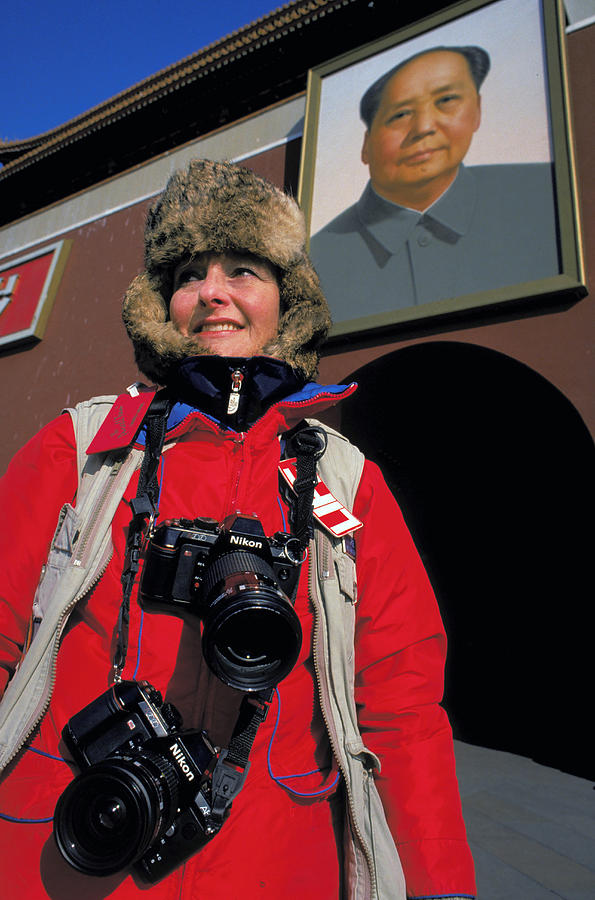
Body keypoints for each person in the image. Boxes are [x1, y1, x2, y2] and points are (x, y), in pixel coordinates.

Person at [0, 159, 476, 899]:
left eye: (243, 270)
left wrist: (439, 883)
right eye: (189, 274)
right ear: (163, 304)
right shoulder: (85, 448)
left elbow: (400, 701)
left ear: (287, 299)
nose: (212, 292)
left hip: (275, 861)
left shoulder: (344, 481)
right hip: (73, 847)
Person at [310, 45, 559, 319]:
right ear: (366, 145)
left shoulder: (545, 196)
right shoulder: (317, 261)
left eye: (446, 100)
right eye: (400, 114)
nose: (424, 127)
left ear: (477, 109)